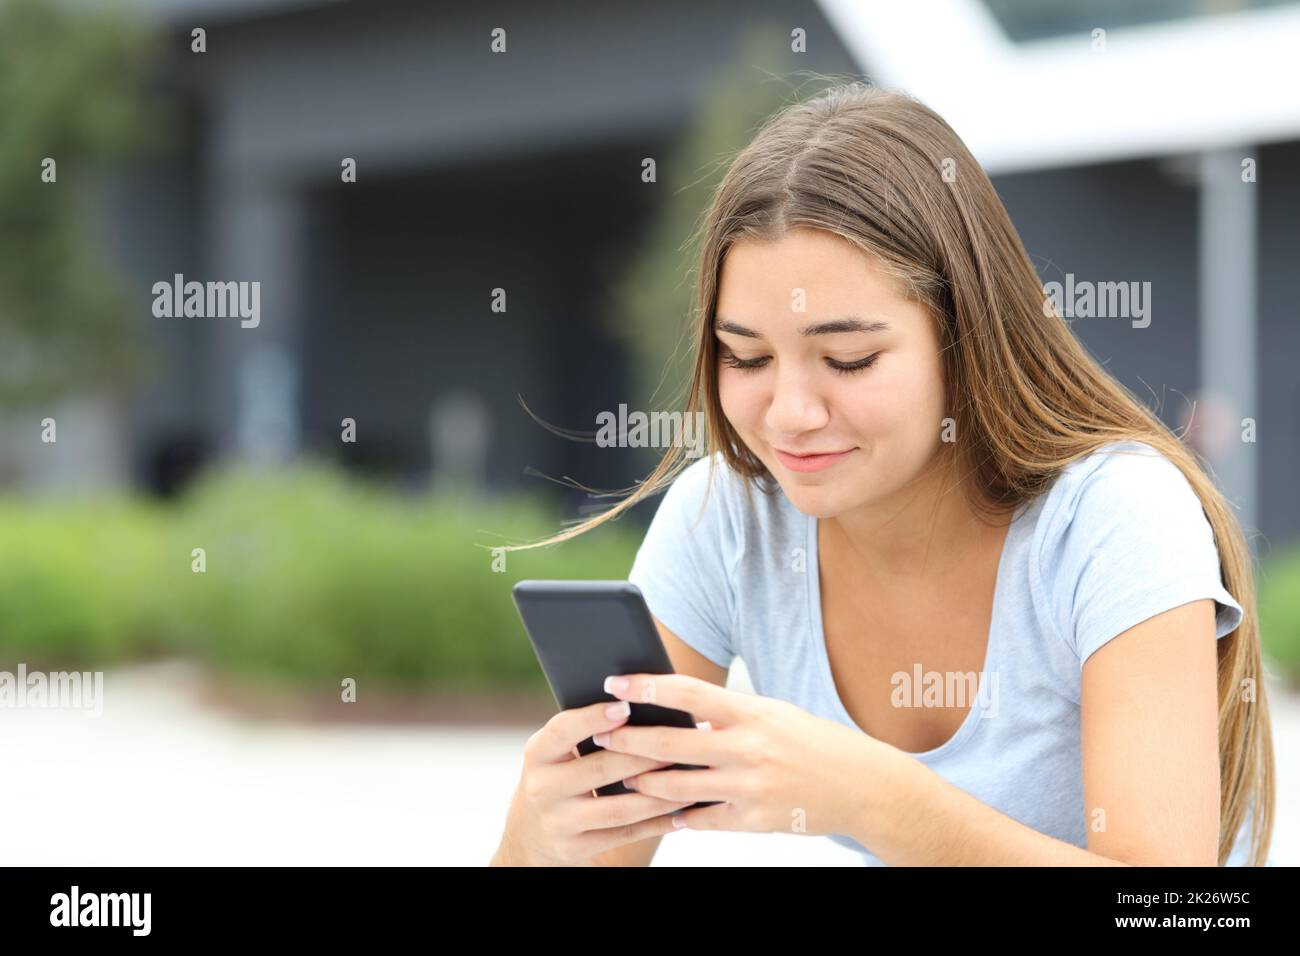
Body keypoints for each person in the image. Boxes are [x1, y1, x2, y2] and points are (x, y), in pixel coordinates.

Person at [489, 82, 1274, 867]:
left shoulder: (1116, 517)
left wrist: (875, 798)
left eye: (848, 359)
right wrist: (542, 825)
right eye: (746, 356)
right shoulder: (727, 516)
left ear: (964, 338)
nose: (789, 413)